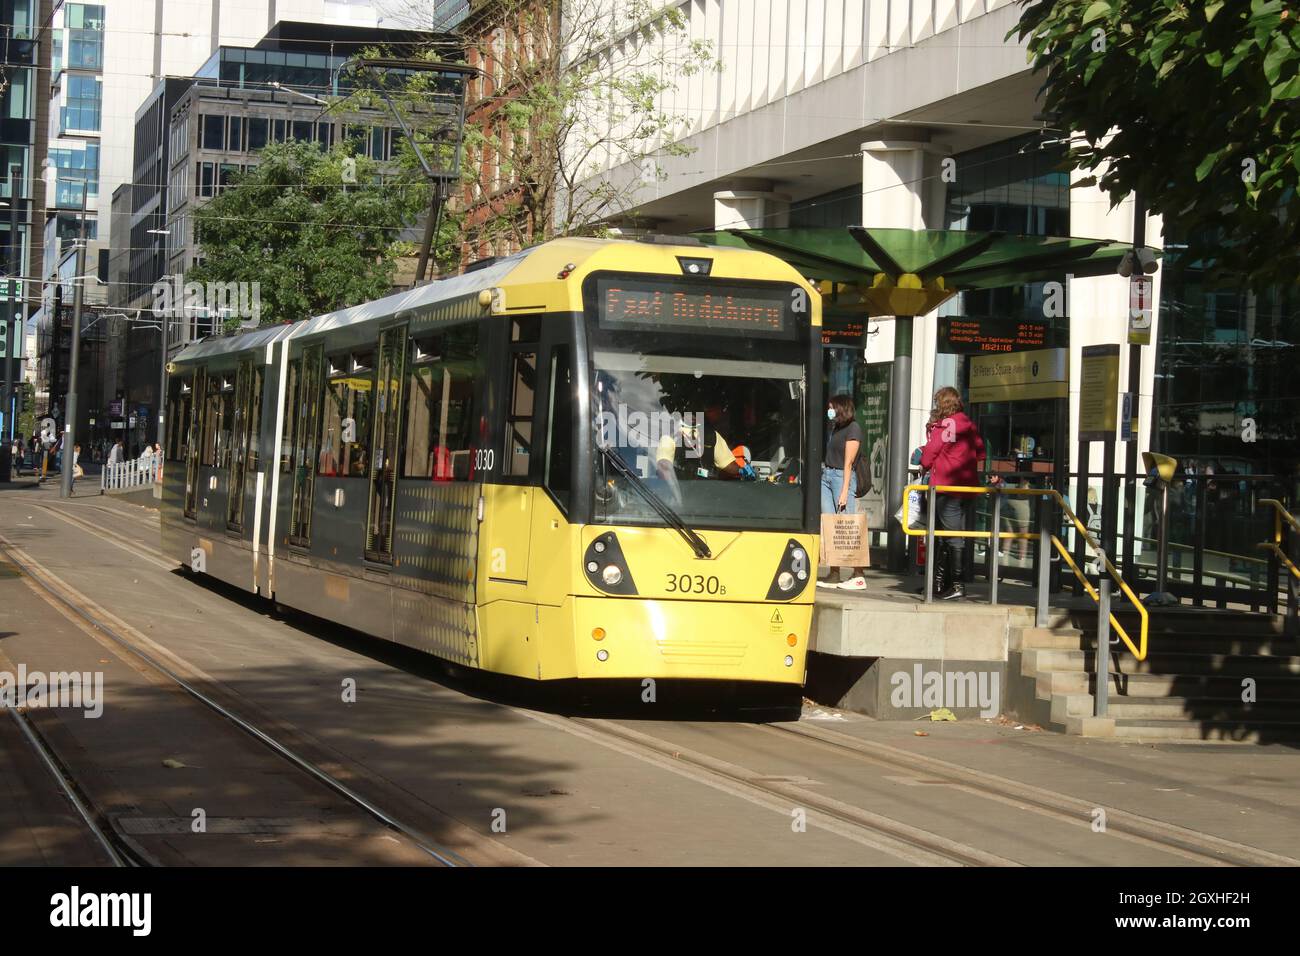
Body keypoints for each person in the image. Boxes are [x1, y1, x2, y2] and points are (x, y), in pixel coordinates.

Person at [919, 386, 987, 601]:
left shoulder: (944, 424)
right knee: (945, 536)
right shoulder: (967, 424)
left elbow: (930, 453)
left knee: (949, 537)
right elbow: (980, 452)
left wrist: (925, 463)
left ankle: (955, 584)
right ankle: (939, 584)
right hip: (965, 487)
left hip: (946, 486)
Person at [819, 394, 867, 591]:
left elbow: (848, 462)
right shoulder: (834, 427)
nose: (829, 410)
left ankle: (858, 574)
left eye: (832, 407)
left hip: (841, 477)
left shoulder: (853, 428)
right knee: (830, 525)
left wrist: (845, 490)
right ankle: (834, 572)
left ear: (840, 408)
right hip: (826, 475)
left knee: (847, 525)